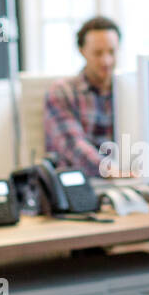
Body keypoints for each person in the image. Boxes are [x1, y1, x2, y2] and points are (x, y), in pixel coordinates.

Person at [42, 15, 118, 175]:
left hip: (126, 178)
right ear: (82, 51)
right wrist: (110, 170)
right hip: (79, 182)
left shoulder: (128, 91)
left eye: (112, 52)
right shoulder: (62, 91)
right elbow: (72, 145)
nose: (106, 61)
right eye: (98, 53)